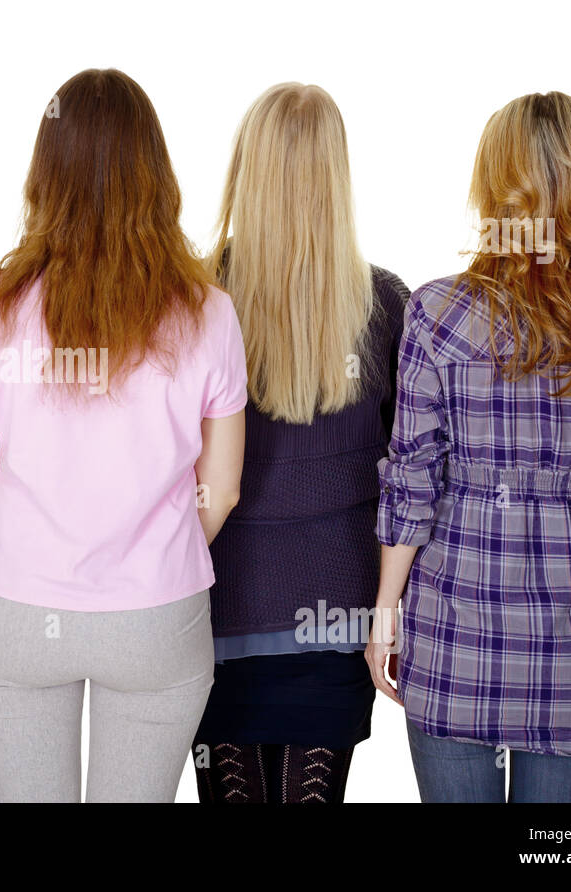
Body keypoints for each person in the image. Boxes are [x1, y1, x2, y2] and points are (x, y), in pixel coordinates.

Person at [0, 68, 247, 802]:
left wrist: (30, 554)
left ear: (45, 172)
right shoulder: (209, 311)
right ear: (156, 171)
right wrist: (151, 555)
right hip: (156, 617)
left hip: (18, 612)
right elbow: (224, 489)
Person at [366, 91, 571, 803]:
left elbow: (412, 480)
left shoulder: (438, 313)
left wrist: (384, 612)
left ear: (493, 183)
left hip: (453, 633)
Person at [193, 83, 407, 803]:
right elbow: (409, 480)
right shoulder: (385, 305)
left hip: (211, 609)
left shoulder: (192, 298)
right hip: (338, 614)